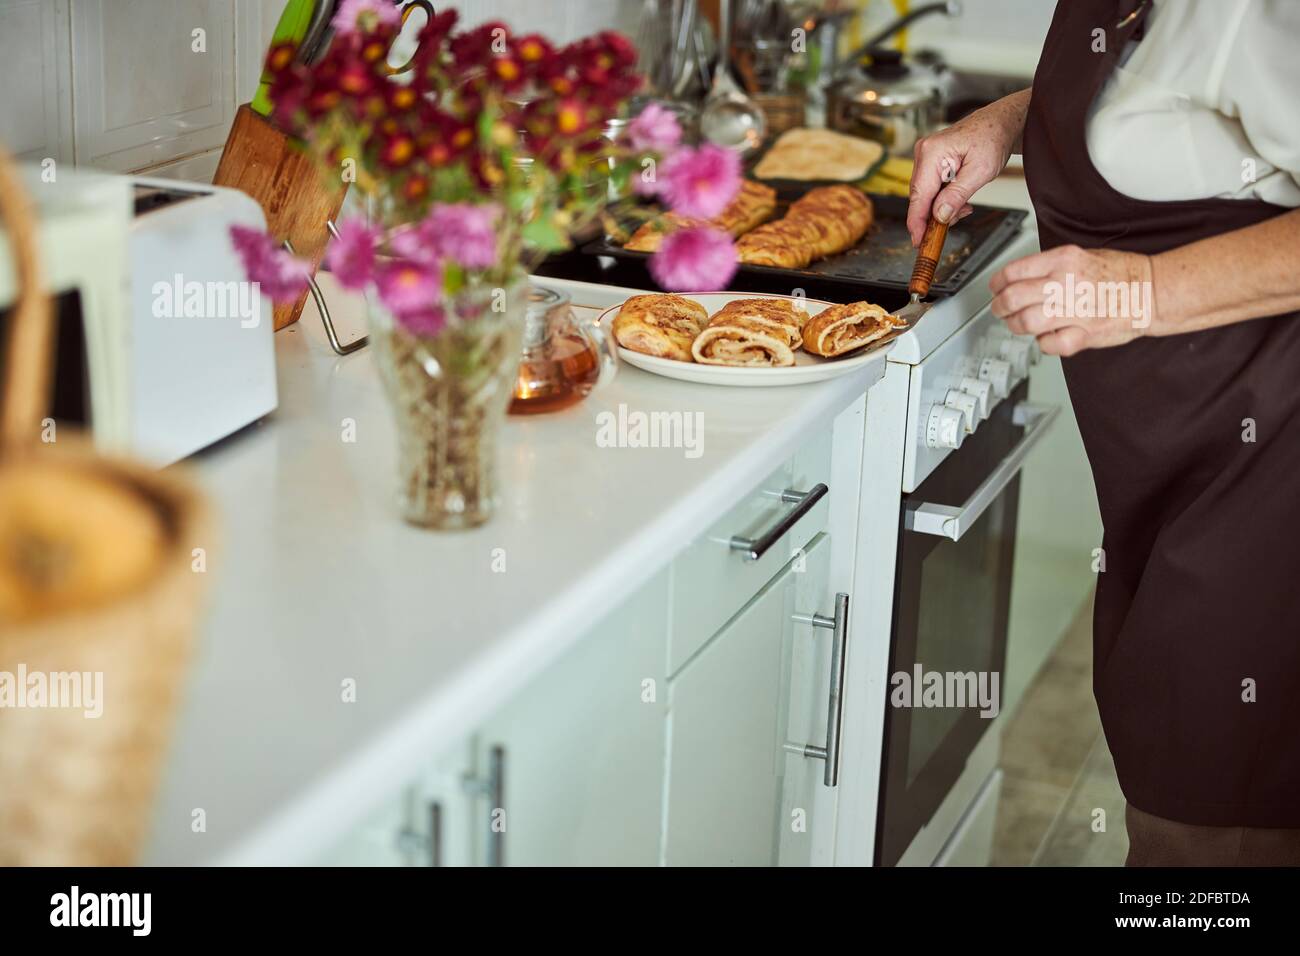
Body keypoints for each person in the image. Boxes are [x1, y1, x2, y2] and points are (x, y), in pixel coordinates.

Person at [906, 0, 1300, 866]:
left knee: (1208, 808)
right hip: (1170, 458)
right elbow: (1164, 101)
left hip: (1270, 468)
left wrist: (1145, 290)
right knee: (1173, 765)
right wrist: (1007, 122)